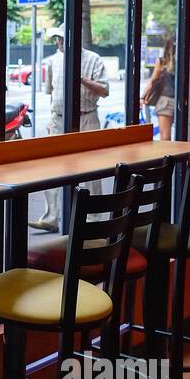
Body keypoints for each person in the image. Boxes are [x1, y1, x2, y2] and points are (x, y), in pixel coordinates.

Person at [31, 26, 110, 232]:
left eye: (62, 39)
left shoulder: (93, 59)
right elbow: (52, 92)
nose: (58, 43)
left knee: (91, 170)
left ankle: (93, 218)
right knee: (52, 169)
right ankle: (52, 217)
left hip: (87, 117)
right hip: (59, 120)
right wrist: (51, 117)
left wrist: (81, 78)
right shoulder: (53, 61)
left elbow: (104, 91)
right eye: (57, 39)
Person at [143, 37, 176, 141]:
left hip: (165, 101)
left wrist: (142, 97)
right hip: (179, 100)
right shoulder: (185, 59)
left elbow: (153, 80)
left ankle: (167, 157)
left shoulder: (162, 61)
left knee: (165, 137)